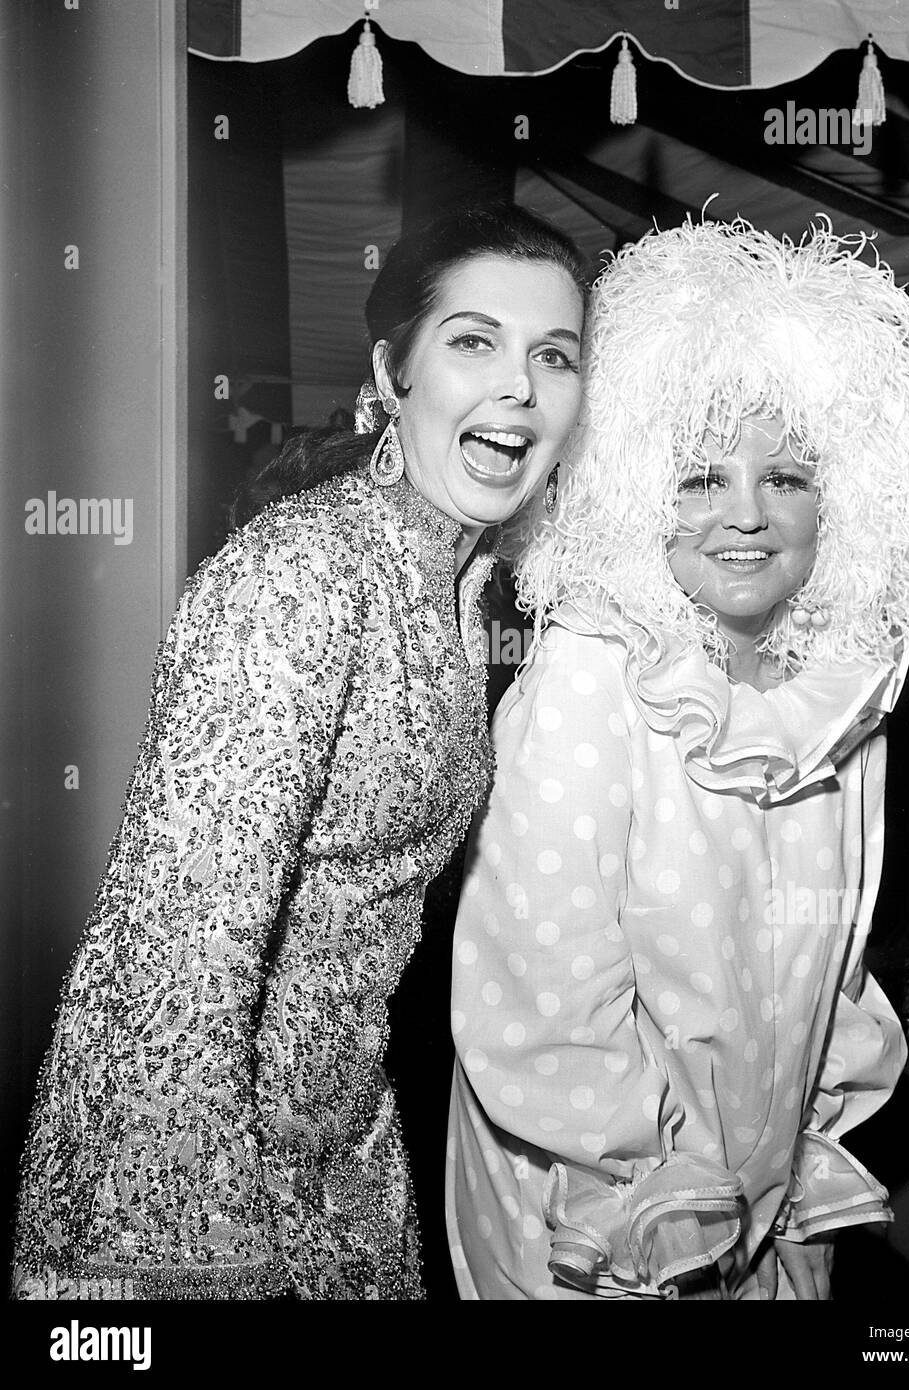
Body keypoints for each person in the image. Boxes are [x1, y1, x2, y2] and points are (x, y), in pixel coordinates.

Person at [11, 204, 587, 1301]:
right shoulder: (300, 579)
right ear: (392, 373)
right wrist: (208, 1261)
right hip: (202, 1188)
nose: (518, 386)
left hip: (346, 1159)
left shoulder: (456, 587)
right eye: (474, 341)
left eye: (551, 356)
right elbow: (173, 967)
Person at [446, 217, 909, 1300]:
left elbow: (830, 976)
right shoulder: (587, 682)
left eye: (785, 476)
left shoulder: (842, 690)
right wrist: (674, 1186)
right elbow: (540, 1010)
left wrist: (786, 1165)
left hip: (768, 1203)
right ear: (634, 488)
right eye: (699, 477)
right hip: (600, 1225)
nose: (747, 514)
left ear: (843, 497)